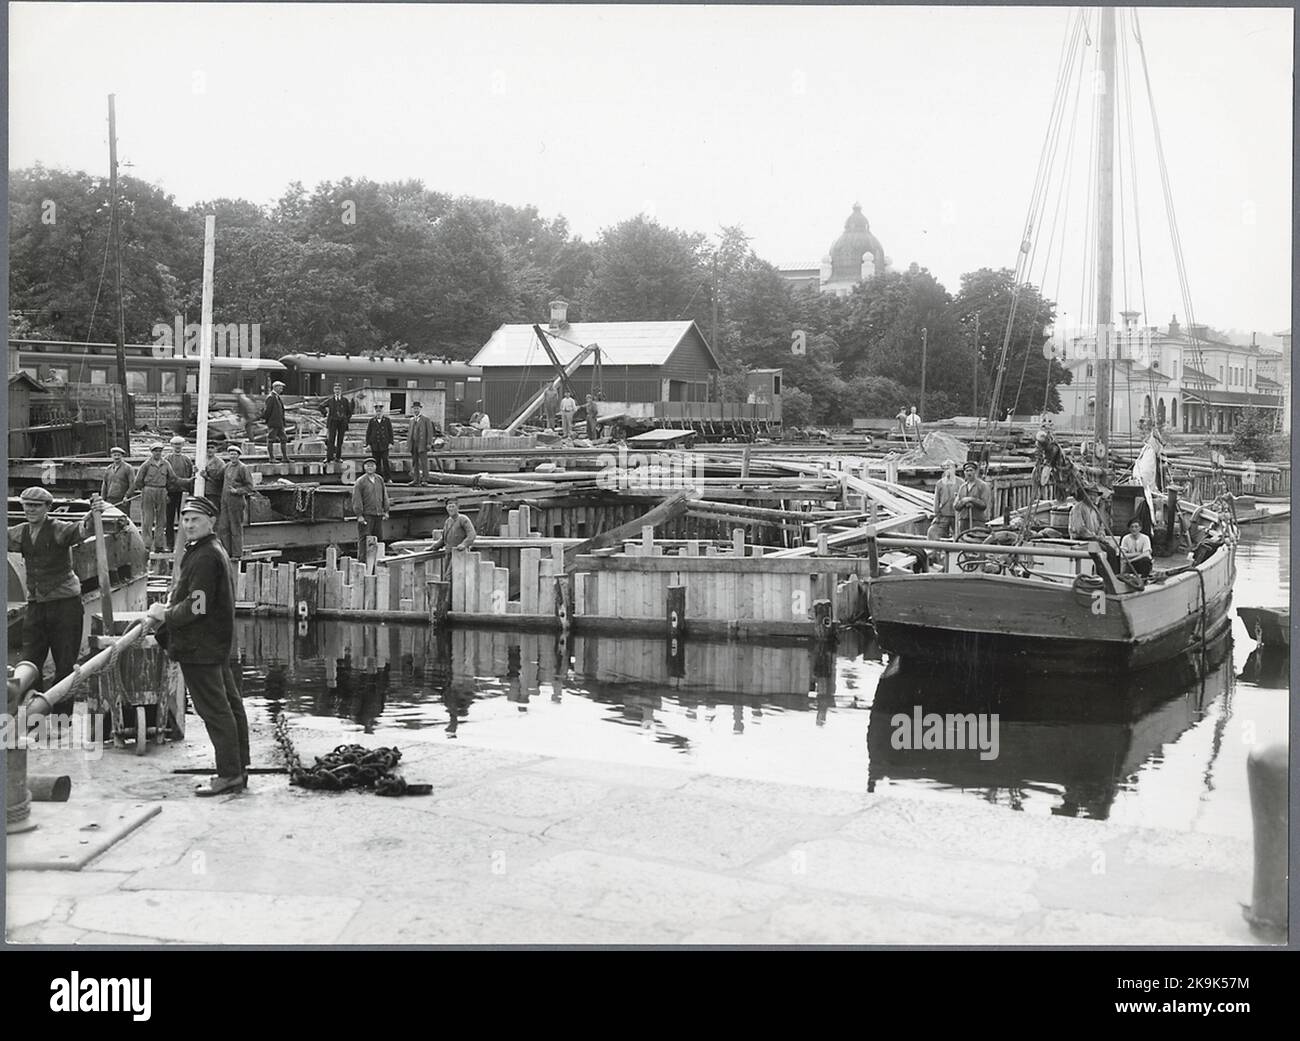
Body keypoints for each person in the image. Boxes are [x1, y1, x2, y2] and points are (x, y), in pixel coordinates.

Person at [147, 495, 249, 797]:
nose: (188, 525)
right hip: (214, 644)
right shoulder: (208, 549)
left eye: (195, 520)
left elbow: (198, 605)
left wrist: (164, 615)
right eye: (185, 519)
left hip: (200, 648)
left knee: (215, 711)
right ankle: (239, 768)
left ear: (211, 521)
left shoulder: (205, 556)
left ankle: (229, 775)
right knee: (231, 706)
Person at [7, 488, 107, 691]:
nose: (30, 510)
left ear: (47, 508)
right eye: (27, 505)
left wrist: (92, 514)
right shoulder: (21, 532)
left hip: (65, 607)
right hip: (36, 606)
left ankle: (62, 721)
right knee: (29, 665)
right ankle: (33, 719)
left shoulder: (58, 529)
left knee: (64, 667)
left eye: (36, 506)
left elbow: (81, 530)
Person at [129, 443, 178, 554]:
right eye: (156, 451)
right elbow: (138, 481)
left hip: (162, 491)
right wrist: (145, 490)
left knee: (161, 520)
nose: (158, 453)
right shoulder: (146, 464)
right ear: (152, 452)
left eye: (160, 451)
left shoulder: (166, 464)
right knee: (147, 519)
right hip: (148, 491)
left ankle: (159, 546)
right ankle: (146, 546)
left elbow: (173, 478)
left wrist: (187, 481)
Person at [216, 443, 255, 561]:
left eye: (234, 454)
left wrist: (237, 491)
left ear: (238, 455)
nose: (232, 456)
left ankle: (237, 553)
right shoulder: (227, 466)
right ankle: (226, 552)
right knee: (223, 527)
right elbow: (217, 477)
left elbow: (250, 487)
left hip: (236, 502)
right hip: (225, 501)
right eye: (231, 454)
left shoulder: (243, 468)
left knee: (235, 527)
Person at [429, 499, 476, 578]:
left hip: (459, 553)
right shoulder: (448, 521)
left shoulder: (463, 519)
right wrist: (433, 547)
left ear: (457, 507)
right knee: (446, 575)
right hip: (448, 553)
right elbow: (443, 539)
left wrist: (464, 544)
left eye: (453, 506)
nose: (451, 509)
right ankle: (449, 590)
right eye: (449, 507)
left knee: (451, 576)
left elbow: (472, 534)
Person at [351, 458, 390, 554]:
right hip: (366, 516)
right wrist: (359, 515)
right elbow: (357, 499)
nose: (370, 467)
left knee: (378, 539)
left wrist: (386, 511)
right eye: (367, 465)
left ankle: (377, 561)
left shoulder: (379, 479)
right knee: (365, 539)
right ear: (364, 467)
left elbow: (384, 495)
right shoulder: (360, 482)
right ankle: (363, 562)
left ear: (375, 467)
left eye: (372, 465)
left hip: (378, 514)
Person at [164, 435, 195, 549]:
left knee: (184, 520)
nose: (177, 447)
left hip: (183, 494)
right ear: (171, 446)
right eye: (175, 445)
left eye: (179, 445)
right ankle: (170, 544)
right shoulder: (167, 459)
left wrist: (190, 494)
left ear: (183, 446)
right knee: (169, 520)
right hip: (170, 493)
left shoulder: (187, 460)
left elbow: (191, 476)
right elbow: (164, 477)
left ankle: (185, 543)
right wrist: (165, 493)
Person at [320, 383, 353, 464]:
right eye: (336, 389)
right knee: (331, 439)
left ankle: (338, 457)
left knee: (340, 440)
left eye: (338, 389)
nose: (337, 391)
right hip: (333, 422)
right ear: (333, 390)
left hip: (342, 422)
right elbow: (321, 406)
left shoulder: (345, 400)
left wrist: (346, 419)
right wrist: (325, 413)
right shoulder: (330, 400)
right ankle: (329, 457)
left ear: (341, 390)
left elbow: (349, 412)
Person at [927, 461, 961, 540]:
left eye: (950, 468)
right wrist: (936, 514)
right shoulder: (940, 483)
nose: (948, 471)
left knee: (960, 536)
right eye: (945, 469)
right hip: (943, 516)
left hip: (957, 516)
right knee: (932, 532)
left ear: (955, 469)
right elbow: (936, 500)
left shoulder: (961, 483)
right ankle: (935, 550)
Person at [954, 462, 991, 534]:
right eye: (967, 471)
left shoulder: (982, 486)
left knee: (976, 541)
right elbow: (956, 506)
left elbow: (984, 505)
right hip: (964, 520)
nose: (969, 473)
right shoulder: (962, 487)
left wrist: (971, 499)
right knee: (963, 541)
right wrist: (963, 502)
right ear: (964, 472)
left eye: (971, 470)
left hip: (977, 520)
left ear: (975, 472)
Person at [408, 401, 436, 486]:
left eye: (417, 408)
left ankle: (425, 479)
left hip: (422, 444)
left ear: (420, 409)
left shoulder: (426, 420)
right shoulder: (412, 420)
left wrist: (429, 443)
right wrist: (408, 444)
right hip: (413, 444)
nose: (416, 410)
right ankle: (416, 479)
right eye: (414, 409)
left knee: (423, 462)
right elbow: (410, 433)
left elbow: (430, 432)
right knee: (415, 463)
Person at [365, 403, 394, 482]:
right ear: (375, 412)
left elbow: (390, 432)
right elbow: (368, 433)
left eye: (380, 411)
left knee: (385, 461)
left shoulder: (387, 420)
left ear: (382, 412)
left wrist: (391, 442)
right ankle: (378, 478)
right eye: (377, 411)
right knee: (376, 462)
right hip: (375, 445)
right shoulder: (372, 421)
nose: (378, 413)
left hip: (384, 445)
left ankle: (388, 478)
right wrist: (368, 444)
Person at [263, 380, 290, 463]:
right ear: (275, 387)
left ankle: (285, 457)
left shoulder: (277, 397)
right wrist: (268, 421)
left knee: (284, 439)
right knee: (271, 439)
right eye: (280, 387)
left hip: (279, 423)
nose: (281, 389)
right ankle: (271, 458)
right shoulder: (271, 397)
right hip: (274, 423)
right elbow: (267, 411)